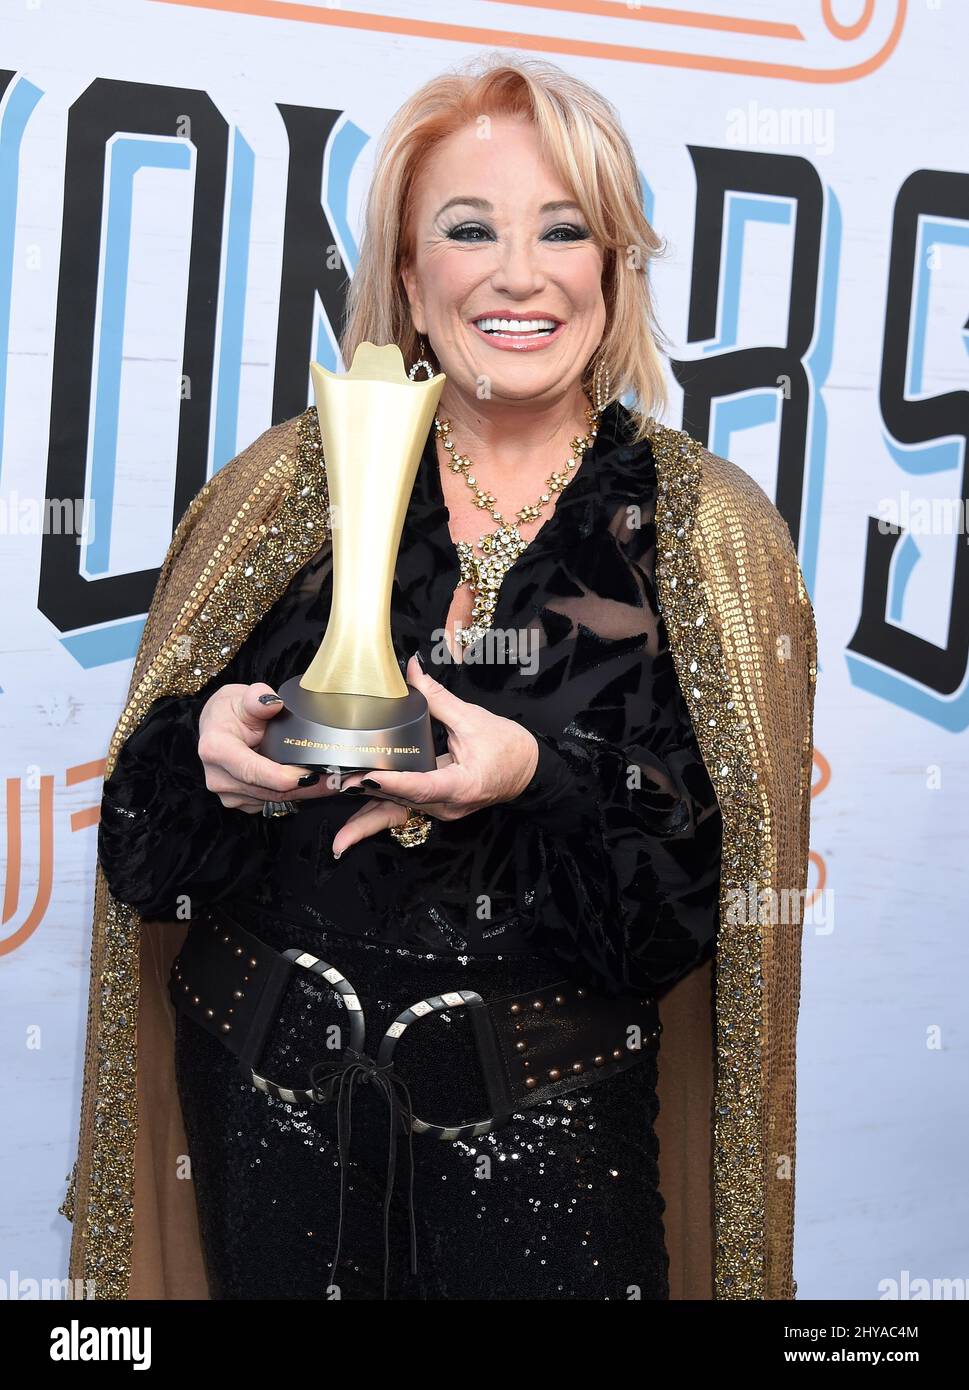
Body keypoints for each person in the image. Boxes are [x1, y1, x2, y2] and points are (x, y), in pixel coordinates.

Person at [59, 52, 817, 1302]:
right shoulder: (281, 489)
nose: (521, 272)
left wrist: (536, 778)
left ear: (613, 266)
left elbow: (699, 920)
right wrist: (210, 750)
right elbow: (149, 860)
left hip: (552, 1157)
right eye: (471, 230)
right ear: (410, 277)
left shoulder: (704, 530)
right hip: (266, 1126)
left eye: (564, 229)